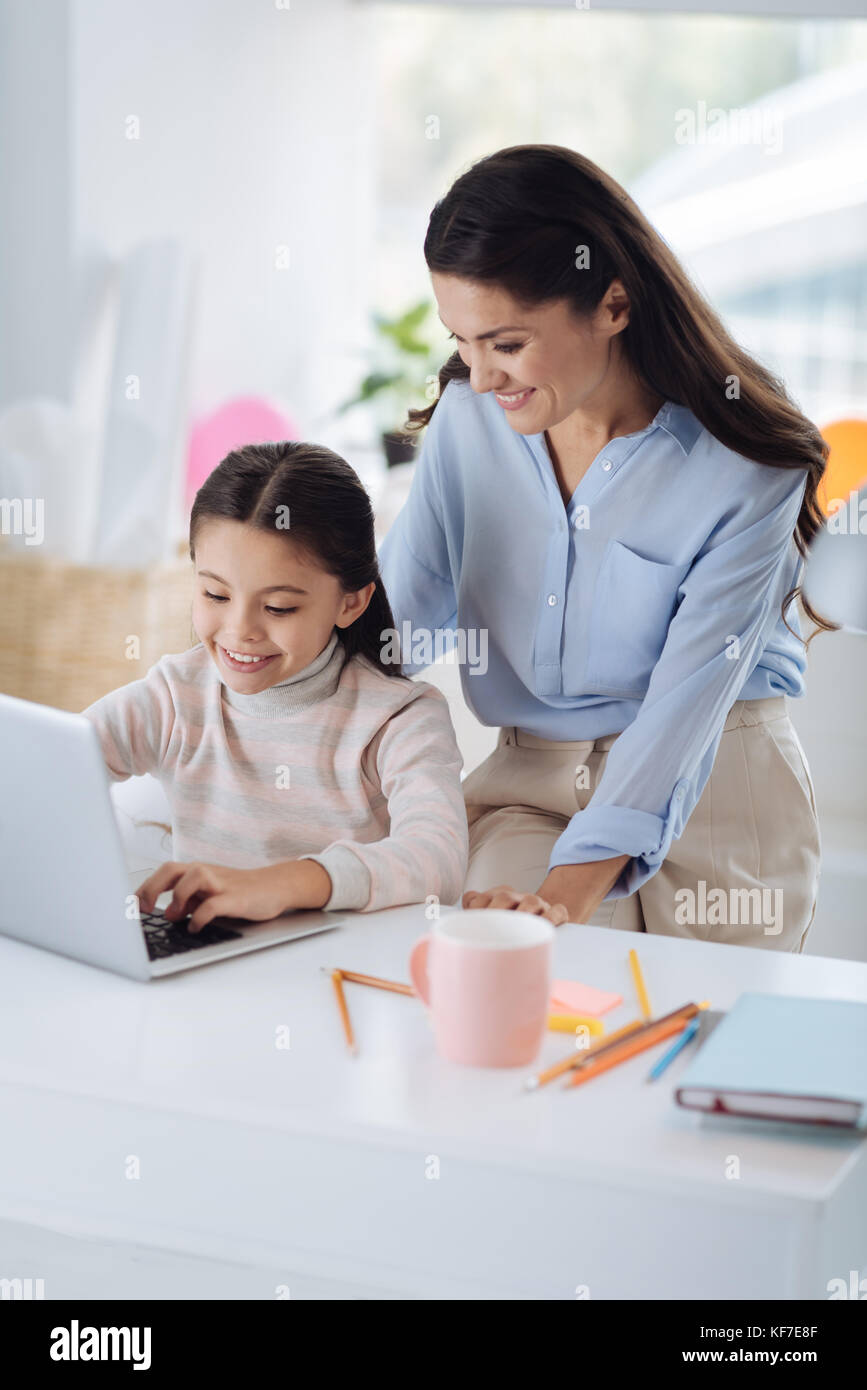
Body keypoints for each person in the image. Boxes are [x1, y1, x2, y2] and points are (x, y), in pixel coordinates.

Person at [378, 144, 831, 952]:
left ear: (613, 303)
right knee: (524, 999)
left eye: (506, 344)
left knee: (703, 1056)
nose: (479, 377)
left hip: (720, 782)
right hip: (531, 783)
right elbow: (392, 632)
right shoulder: (466, 422)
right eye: (463, 341)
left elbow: (684, 704)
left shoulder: (746, 459)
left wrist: (575, 882)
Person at [83, 442, 468, 931]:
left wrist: (281, 883)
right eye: (215, 594)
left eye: (279, 607)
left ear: (350, 603)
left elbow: (438, 858)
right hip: (205, 967)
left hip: (343, 974)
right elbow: (53, 763)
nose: (240, 629)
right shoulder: (175, 697)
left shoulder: (398, 719)